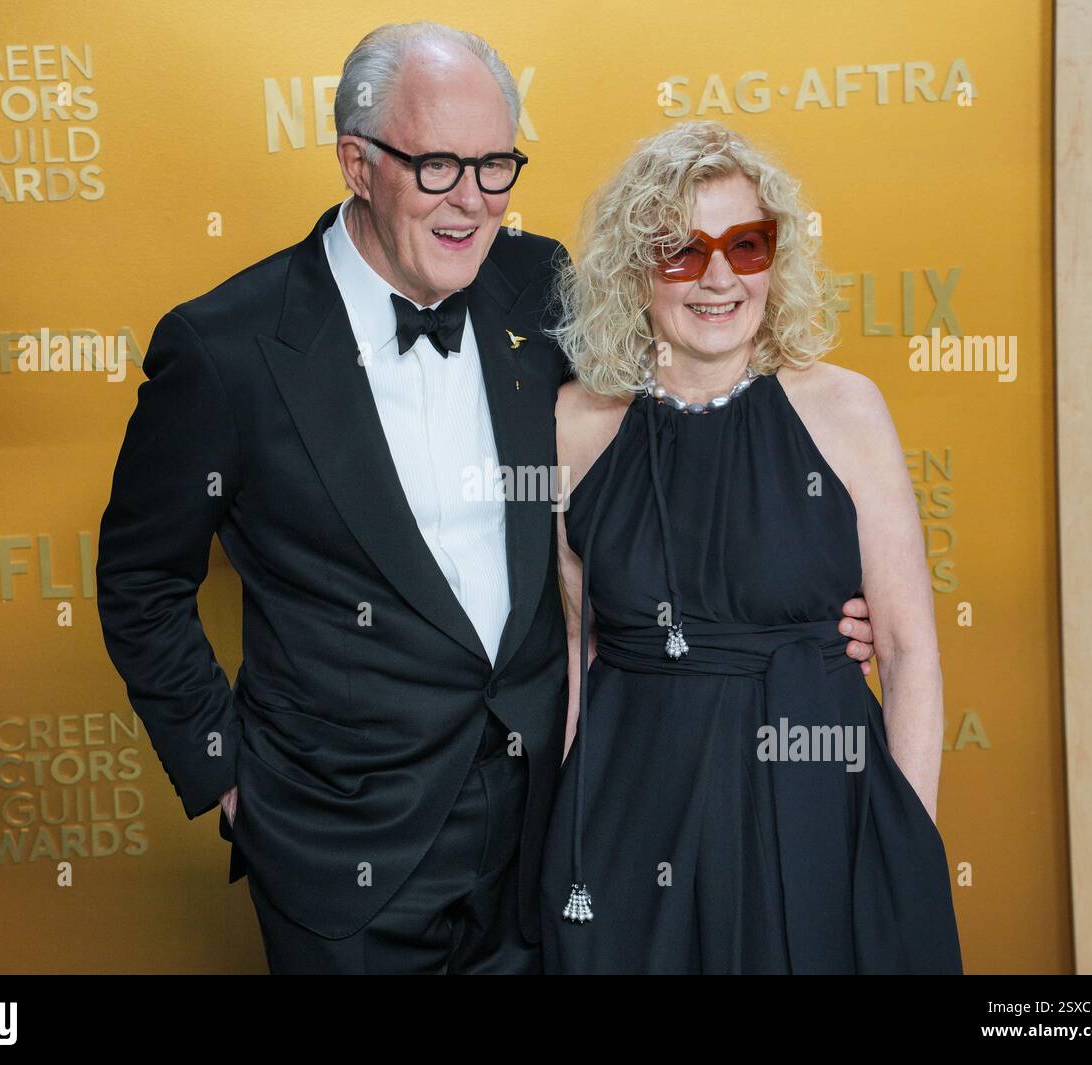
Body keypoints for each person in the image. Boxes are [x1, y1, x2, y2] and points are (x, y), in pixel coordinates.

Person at [96, 23, 875, 975]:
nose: (472, 201)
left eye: (495, 164)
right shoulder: (225, 348)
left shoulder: (539, 284)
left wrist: (796, 603)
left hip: (550, 825)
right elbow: (140, 578)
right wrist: (224, 773)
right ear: (357, 162)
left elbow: (675, 434)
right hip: (340, 848)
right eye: (436, 167)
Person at [539, 120, 962, 974]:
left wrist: (902, 843)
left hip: (816, 801)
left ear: (777, 255)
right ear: (636, 266)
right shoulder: (574, 424)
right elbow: (579, 658)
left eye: (747, 243)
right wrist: (568, 837)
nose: (721, 278)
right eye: (682, 252)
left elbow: (911, 650)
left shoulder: (844, 408)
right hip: (630, 813)